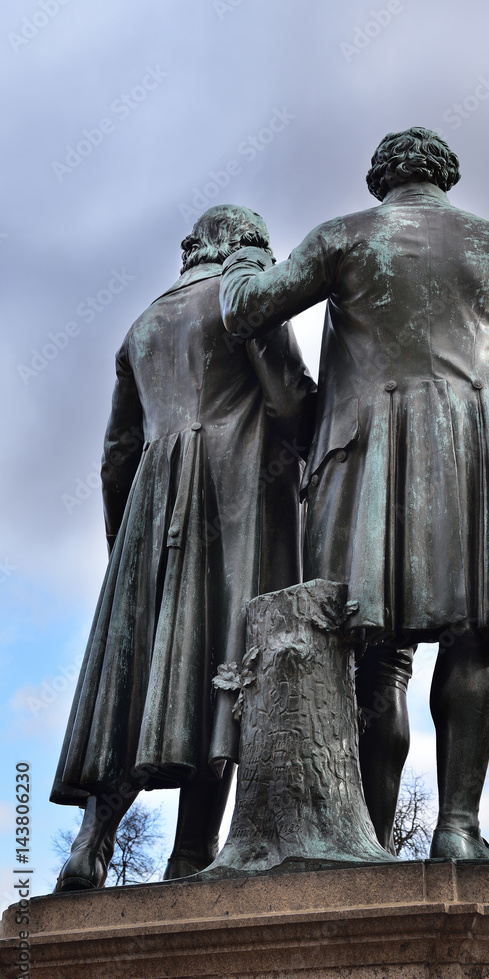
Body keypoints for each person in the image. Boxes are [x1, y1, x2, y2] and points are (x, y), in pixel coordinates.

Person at [218, 128, 489, 860]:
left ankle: (372, 843)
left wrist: (241, 263)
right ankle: (458, 829)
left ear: (380, 178)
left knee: (378, 655)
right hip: (480, 453)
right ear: (446, 176)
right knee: (474, 635)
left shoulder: (341, 237)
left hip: (367, 457)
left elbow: (248, 309)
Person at [51, 205, 316, 890]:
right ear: (241, 245)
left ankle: (92, 839)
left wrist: (125, 545)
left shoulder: (142, 325)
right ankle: (189, 855)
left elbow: (116, 453)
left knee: (132, 678)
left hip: (150, 507)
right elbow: (287, 400)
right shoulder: (244, 298)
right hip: (235, 500)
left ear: (189, 248)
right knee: (227, 667)